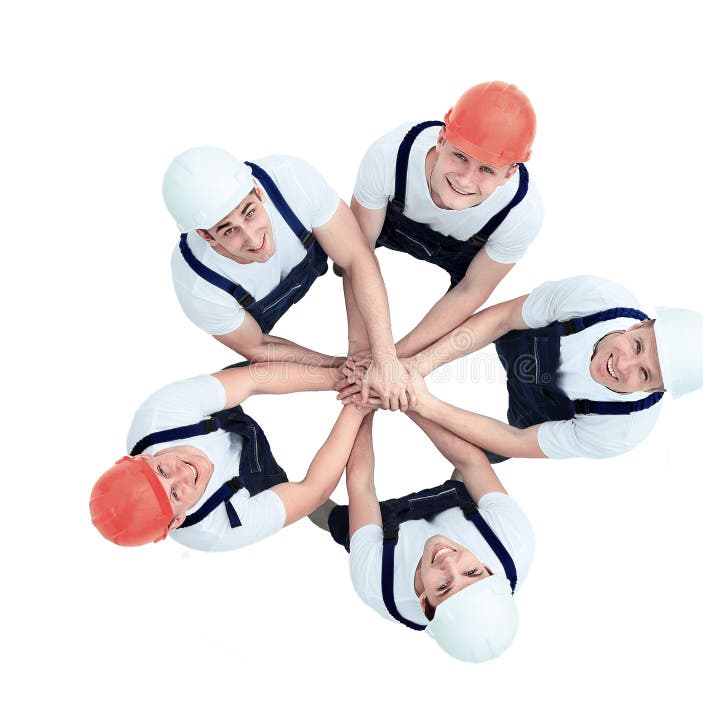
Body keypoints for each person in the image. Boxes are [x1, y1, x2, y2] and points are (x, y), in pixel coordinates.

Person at [341, 275, 703, 460]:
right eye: (638, 346)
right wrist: (408, 367)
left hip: (528, 419)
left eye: (644, 374)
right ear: (641, 324)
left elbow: (517, 441)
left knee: (477, 459)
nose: (623, 364)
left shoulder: (620, 431)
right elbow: (500, 319)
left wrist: (419, 400)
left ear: (656, 392)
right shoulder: (597, 298)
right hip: (516, 338)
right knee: (443, 332)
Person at [163, 147, 411, 410]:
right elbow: (259, 346)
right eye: (229, 231)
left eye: (250, 213)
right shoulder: (197, 284)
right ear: (206, 236)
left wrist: (384, 357)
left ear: (258, 191)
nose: (252, 238)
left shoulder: (292, 181)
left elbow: (356, 259)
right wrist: (344, 368)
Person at [346, 81, 544, 361]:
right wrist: (360, 349)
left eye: (486, 169)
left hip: (463, 260)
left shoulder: (521, 213)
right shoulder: (390, 156)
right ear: (441, 139)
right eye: (460, 156)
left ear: (509, 174)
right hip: (385, 228)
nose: (465, 180)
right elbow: (357, 255)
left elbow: (470, 291)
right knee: (337, 246)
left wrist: (391, 359)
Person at [322, 411, 534, 662]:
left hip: (390, 531)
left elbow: (361, 485)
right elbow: (471, 463)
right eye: (471, 572)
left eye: (443, 587)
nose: (449, 563)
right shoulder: (514, 543)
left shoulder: (377, 582)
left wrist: (363, 407)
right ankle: (488, 449)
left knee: (329, 515)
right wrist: (408, 398)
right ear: (488, 569)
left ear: (424, 603)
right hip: (457, 509)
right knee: (476, 459)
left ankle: (287, 488)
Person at [90, 361, 369, 551]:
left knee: (258, 363)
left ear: (142, 458)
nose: (183, 473)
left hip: (221, 416)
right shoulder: (217, 530)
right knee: (317, 508)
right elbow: (313, 489)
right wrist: (360, 400)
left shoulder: (159, 416)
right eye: (175, 494)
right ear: (177, 521)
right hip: (251, 478)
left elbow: (253, 380)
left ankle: (345, 362)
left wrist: (345, 376)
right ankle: (337, 520)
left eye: (162, 471)